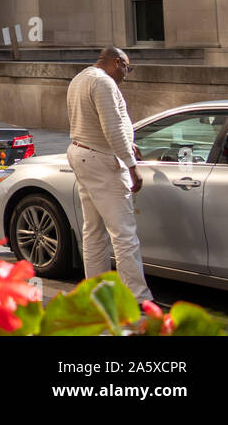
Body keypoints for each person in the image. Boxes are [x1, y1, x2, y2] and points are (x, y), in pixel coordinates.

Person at [67, 47, 152, 303]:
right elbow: (112, 126)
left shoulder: (81, 78)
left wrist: (127, 143)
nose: (127, 74)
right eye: (127, 67)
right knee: (124, 233)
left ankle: (96, 295)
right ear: (117, 62)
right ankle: (136, 297)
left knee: (93, 231)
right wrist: (131, 165)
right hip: (102, 160)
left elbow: (97, 123)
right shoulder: (104, 83)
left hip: (82, 153)